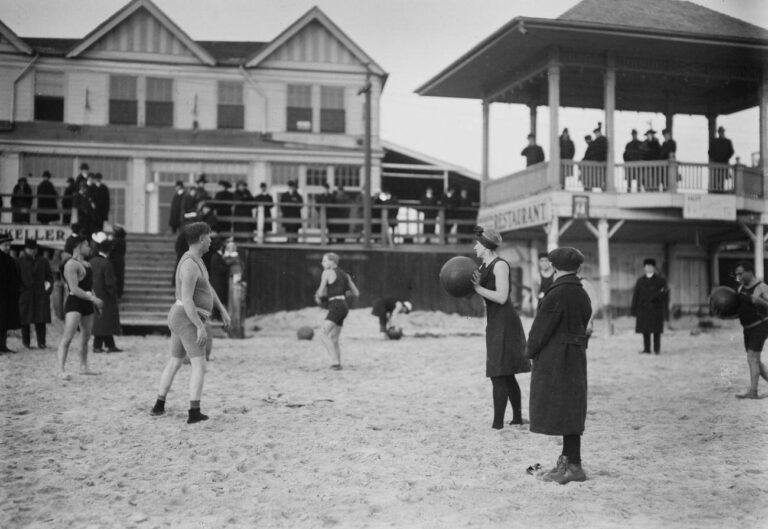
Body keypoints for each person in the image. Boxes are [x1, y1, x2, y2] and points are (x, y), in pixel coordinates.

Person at [150, 222, 230, 423]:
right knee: (199, 365)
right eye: (209, 236)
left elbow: (208, 288)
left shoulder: (198, 260)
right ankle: (194, 412)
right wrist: (200, 326)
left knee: (175, 361)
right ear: (202, 238)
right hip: (186, 317)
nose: (212, 240)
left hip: (182, 317)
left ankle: (158, 405)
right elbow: (187, 300)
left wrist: (222, 310)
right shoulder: (189, 264)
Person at [526, 246, 592, 485]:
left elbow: (541, 329)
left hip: (556, 358)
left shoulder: (556, 293)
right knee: (571, 409)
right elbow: (585, 320)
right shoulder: (581, 292)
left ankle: (574, 466)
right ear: (578, 268)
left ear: (554, 267)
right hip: (575, 356)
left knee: (562, 409)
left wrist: (530, 351)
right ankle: (568, 460)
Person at [470, 226, 529, 429]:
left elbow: (502, 297)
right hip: (495, 320)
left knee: (498, 372)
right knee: (506, 372)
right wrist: (474, 288)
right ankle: (518, 418)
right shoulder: (483, 267)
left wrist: (478, 288)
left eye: (477, 243)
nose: (475, 246)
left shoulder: (500, 265)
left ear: (486, 246)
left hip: (505, 320)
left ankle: (498, 424)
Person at [56, 235, 104, 379]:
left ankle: (83, 366)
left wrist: (95, 303)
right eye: (87, 245)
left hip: (87, 303)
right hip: (75, 303)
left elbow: (89, 286)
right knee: (67, 337)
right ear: (78, 247)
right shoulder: (71, 264)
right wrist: (93, 299)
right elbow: (74, 288)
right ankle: (61, 370)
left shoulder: (87, 264)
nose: (89, 248)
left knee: (86, 337)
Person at [314, 252, 359, 370]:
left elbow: (320, 291)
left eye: (324, 261)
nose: (322, 263)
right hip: (344, 305)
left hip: (335, 305)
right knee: (334, 338)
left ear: (332, 262)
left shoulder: (326, 272)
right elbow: (356, 293)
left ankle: (335, 363)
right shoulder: (345, 275)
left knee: (322, 334)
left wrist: (319, 297)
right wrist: (340, 293)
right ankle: (338, 362)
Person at [732, 261, 768, 399]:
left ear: (749, 272)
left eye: (740, 273)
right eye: (736, 274)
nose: (738, 277)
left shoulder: (762, 287)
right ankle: (753, 390)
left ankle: (753, 392)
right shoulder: (741, 289)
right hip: (747, 328)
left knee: (752, 357)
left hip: (761, 326)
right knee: (755, 361)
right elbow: (739, 310)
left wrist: (760, 301)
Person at [16, 239, 52, 350]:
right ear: (25, 249)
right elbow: (16, 279)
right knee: (24, 321)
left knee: (41, 320)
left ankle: (42, 342)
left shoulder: (43, 261)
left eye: (34, 249)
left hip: (40, 294)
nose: (32, 251)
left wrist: (47, 291)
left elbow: (50, 278)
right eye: (30, 249)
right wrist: (21, 291)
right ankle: (26, 342)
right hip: (25, 294)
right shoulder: (19, 261)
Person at [630, 258, 668, 354]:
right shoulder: (640, 281)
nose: (648, 268)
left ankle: (656, 349)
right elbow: (636, 295)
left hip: (656, 309)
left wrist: (657, 298)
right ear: (644, 268)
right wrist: (634, 310)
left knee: (656, 331)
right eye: (646, 266)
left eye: (650, 266)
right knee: (645, 330)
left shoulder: (661, 281)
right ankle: (647, 349)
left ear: (654, 268)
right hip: (643, 309)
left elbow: (665, 294)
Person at [90, 237, 122, 353]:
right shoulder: (107, 263)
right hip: (106, 297)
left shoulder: (92, 261)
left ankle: (110, 344)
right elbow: (109, 283)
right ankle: (97, 345)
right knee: (104, 321)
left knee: (100, 321)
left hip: (94, 295)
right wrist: (113, 293)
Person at [0, 233, 21, 354]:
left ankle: (3, 346)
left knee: (4, 322)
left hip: (7, 296)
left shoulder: (10, 260)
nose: (8, 247)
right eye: (5, 245)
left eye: (9, 245)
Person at [109, 225, 126, 299]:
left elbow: (111, 249)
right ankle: (119, 294)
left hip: (115, 260)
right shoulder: (123, 240)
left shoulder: (116, 240)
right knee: (120, 277)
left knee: (116, 277)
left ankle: (116, 294)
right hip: (120, 260)